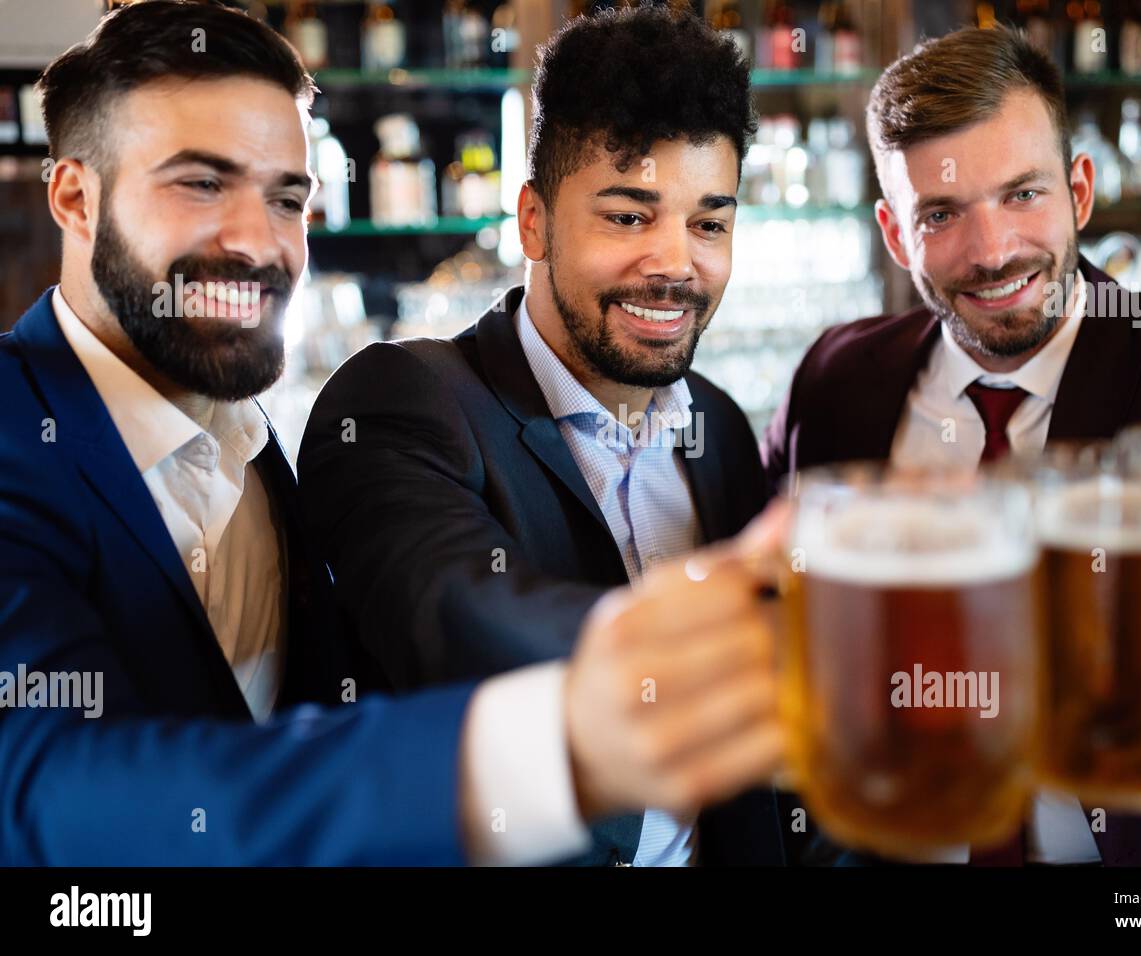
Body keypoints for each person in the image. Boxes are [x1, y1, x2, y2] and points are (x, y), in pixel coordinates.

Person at [0, 0, 784, 866]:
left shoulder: (247, 441)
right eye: (200, 182)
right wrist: (567, 732)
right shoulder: (24, 430)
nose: (259, 242)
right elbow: (54, 790)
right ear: (75, 196)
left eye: (287, 197)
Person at [762, 23, 1141, 866]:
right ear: (897, 237)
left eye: (1023, 194)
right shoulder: (836, 377)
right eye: (941, 213)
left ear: (1079, 191)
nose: (992, 251)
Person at [298, 6, 794, 866]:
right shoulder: (401, 401)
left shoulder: (716, 421)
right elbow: (459, 621)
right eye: (629, 216)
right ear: (533, 221)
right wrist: (753, 638)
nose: (677, 263)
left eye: (709, 222)